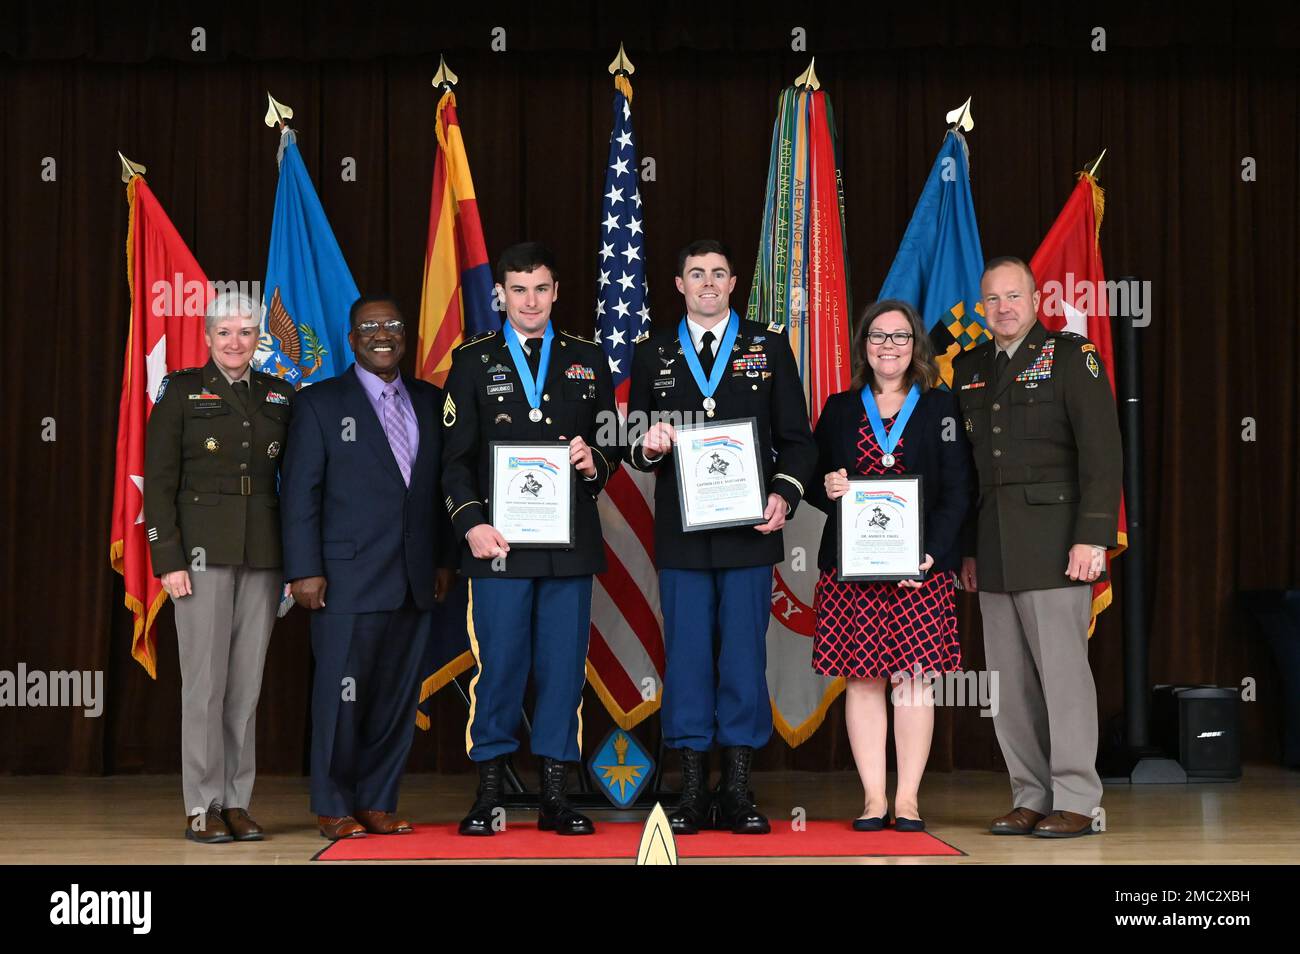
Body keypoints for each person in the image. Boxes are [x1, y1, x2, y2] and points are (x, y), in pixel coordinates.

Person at [627, 239, 817, 834]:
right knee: (685, 659)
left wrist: (783, 493)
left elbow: (799, 439)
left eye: (717, 273)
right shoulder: (653, 351)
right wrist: (647, 443)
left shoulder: (768, 346)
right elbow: (632, 436)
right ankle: (689, 790)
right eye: (695, 274)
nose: (707, 283)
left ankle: (736, 789)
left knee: (741, 656)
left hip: (748, 534)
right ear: (678, 285)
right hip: (682, 535)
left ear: (733, 283)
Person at [441, 242, 620, 837]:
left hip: (568, 545)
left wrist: (593, 460)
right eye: (519, 290)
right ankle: (490, 791)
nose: (531, 300)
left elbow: (611, 447)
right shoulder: (471, 361)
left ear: (556, 292)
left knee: (563, 669)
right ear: (502, 295)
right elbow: (453, 459)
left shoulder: (587, 358)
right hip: (500, 547)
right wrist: (471, 524)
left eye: (541, 288)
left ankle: (554, 795)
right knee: (501, 666)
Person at [953, 256, 1122, 838]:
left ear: (1035, 299)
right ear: (983, 307)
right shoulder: (970, 368)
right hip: (994, 545)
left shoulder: (1073, 357)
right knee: (1009, 684)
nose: (1003, 308)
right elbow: (971, 472)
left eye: (1013, 297)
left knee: (1063, 677)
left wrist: (1092, 536)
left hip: (1058, 543)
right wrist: (968, 550)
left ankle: (1077, 798)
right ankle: (1030, 794)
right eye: (993, 300)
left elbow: (1102, 452)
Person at [280, 294, 456, 841]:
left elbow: (444, 488)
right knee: (340, 695)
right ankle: (333, 804)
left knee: (394, 698)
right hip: (345, 580)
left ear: (406, 336)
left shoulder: (431, 401)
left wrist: (444, 558)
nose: (383, 334)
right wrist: (303, 569)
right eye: (370, 327)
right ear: (352, 337)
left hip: (415, 579)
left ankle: (378, 801)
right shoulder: (319, 404)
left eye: (393, 325)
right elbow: (300, 495)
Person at [806, 299, 973, 833]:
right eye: (878, 337)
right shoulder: (837, 408)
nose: (889, 347)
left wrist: (933, 554)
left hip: (918, 570)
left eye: (900, 337)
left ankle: (908, 801)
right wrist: (825, 485)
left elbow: (959, 490)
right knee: (862, 681)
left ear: (916, 345)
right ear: (863, 346)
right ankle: (874, 798)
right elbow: (808, 477)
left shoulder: (941, 409)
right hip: (853, 570)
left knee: (914, 682)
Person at [144, 291, 294, 843]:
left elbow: (294, 480)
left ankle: (236, 801)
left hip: (262, 555)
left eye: (247, 332)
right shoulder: (182, 391)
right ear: (208, 337)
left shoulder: (280, 395)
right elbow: (158, 484)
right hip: (199, 559)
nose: (236, 342)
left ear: (259, 339)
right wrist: (168, 558)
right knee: (204, 686)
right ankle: (201, 806)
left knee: (245, 687)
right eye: (225, 332)